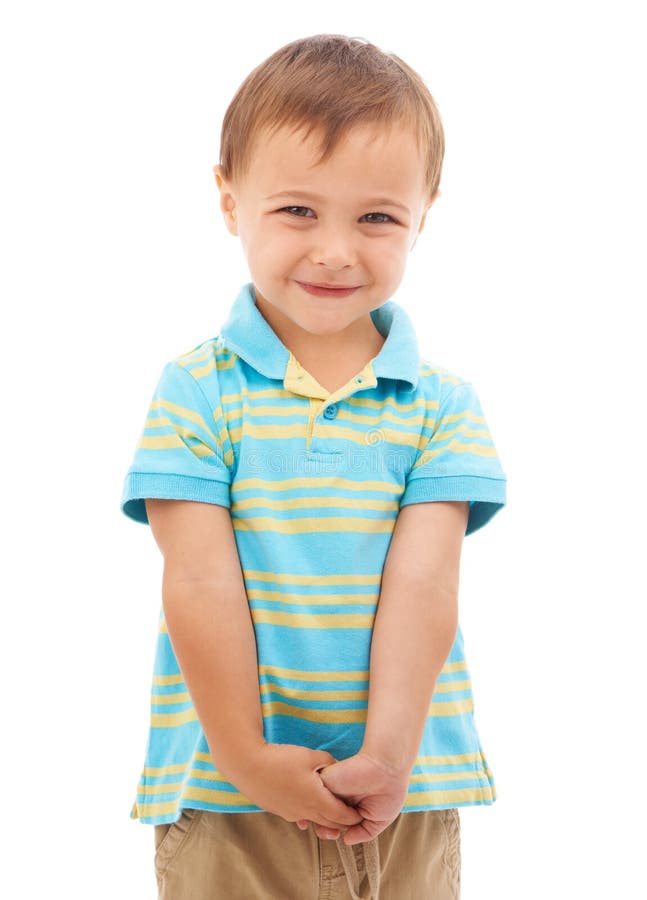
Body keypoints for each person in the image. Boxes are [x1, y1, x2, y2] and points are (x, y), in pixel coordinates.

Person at [120, 33, 507, 900]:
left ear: (423, 213)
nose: (335, 250)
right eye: (298, 211)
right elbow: (198, 584)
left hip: (405, 795)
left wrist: (388, 754)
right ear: (229, 201)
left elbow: (425, 585)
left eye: (376, 217)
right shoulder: (196, 391)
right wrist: (247, 757)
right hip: (227, 802)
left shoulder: (441, 405)